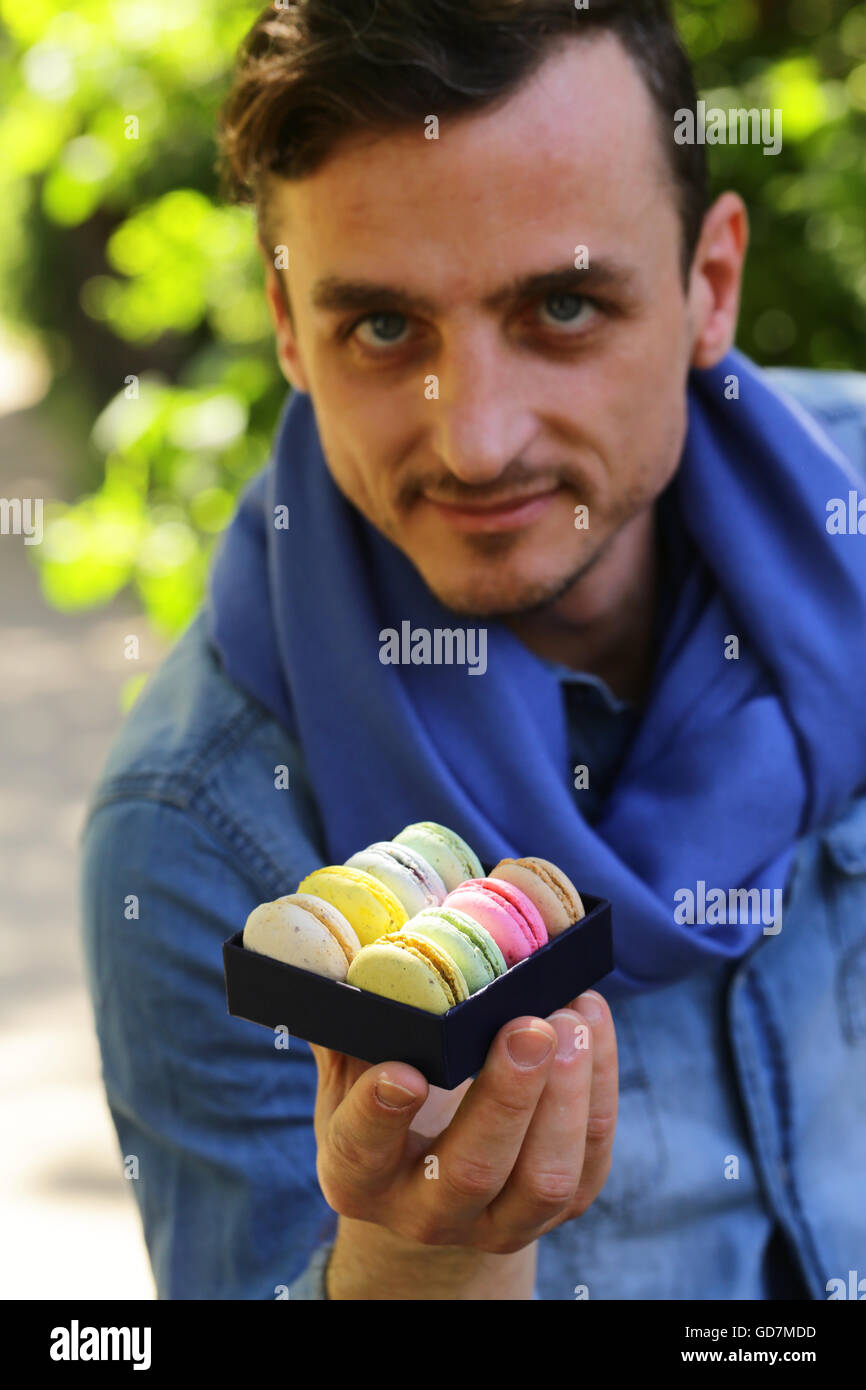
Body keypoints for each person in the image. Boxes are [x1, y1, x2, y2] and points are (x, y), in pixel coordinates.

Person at [79, 0, 866, 1301]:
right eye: (384, 329)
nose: (475, 441)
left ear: (707, 285)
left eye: (560, 305)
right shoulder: (198, 838)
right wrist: (414, 1262)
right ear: (288, 327)